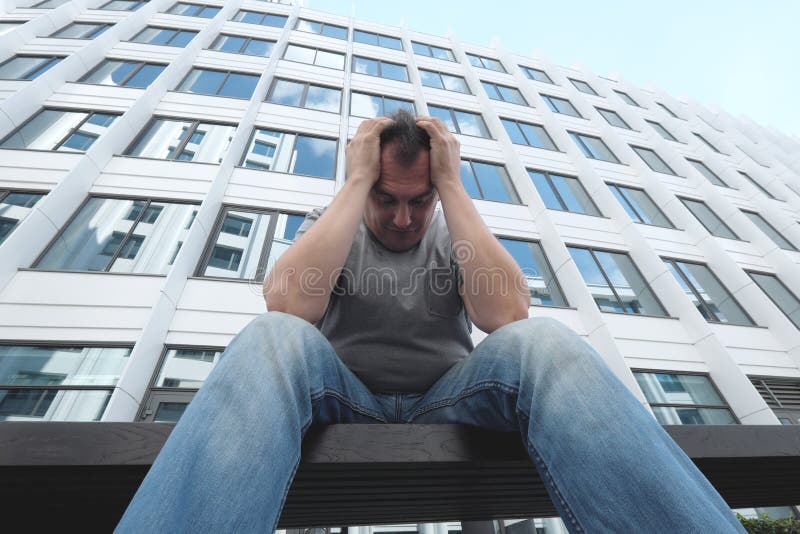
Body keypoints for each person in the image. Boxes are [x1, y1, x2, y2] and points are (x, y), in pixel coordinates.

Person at [116, 110, 744, 533]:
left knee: (545, 339)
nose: (401, 218)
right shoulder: (332, 225)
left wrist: (452, 187)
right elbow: (287, 309)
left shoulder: (451, 228)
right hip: (343, 398)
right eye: (385, 198)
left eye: (418, 201)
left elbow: (505, 316)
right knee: (271, 338)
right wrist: (354, 180)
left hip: (450, 400)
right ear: (365, 188)